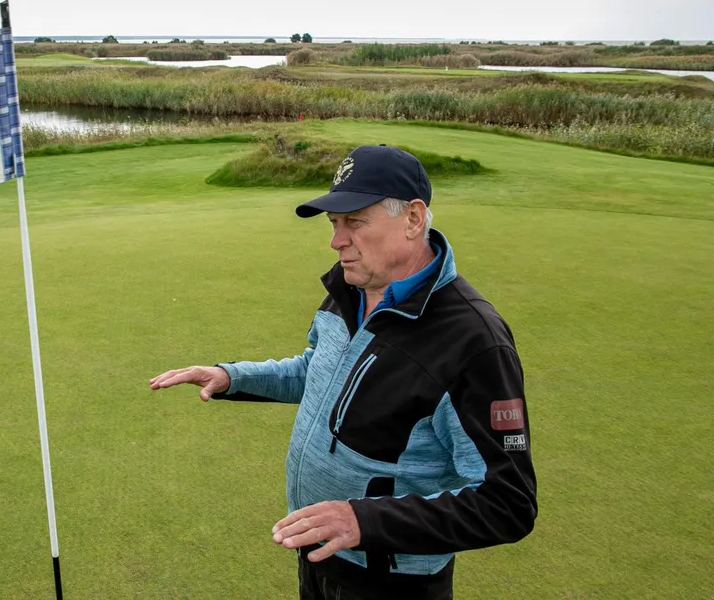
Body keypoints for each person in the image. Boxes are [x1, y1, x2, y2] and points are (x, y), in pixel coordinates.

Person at [150, 145, 537, 600]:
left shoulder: (472, 341)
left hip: (391, 585)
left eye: (355, 221)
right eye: (334, 224)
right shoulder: (350, 288)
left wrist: (363, 521)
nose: (337, 241)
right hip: (320, 553)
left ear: (414, 219)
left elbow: (508, 503)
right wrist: (231, 376)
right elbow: (317, 370)